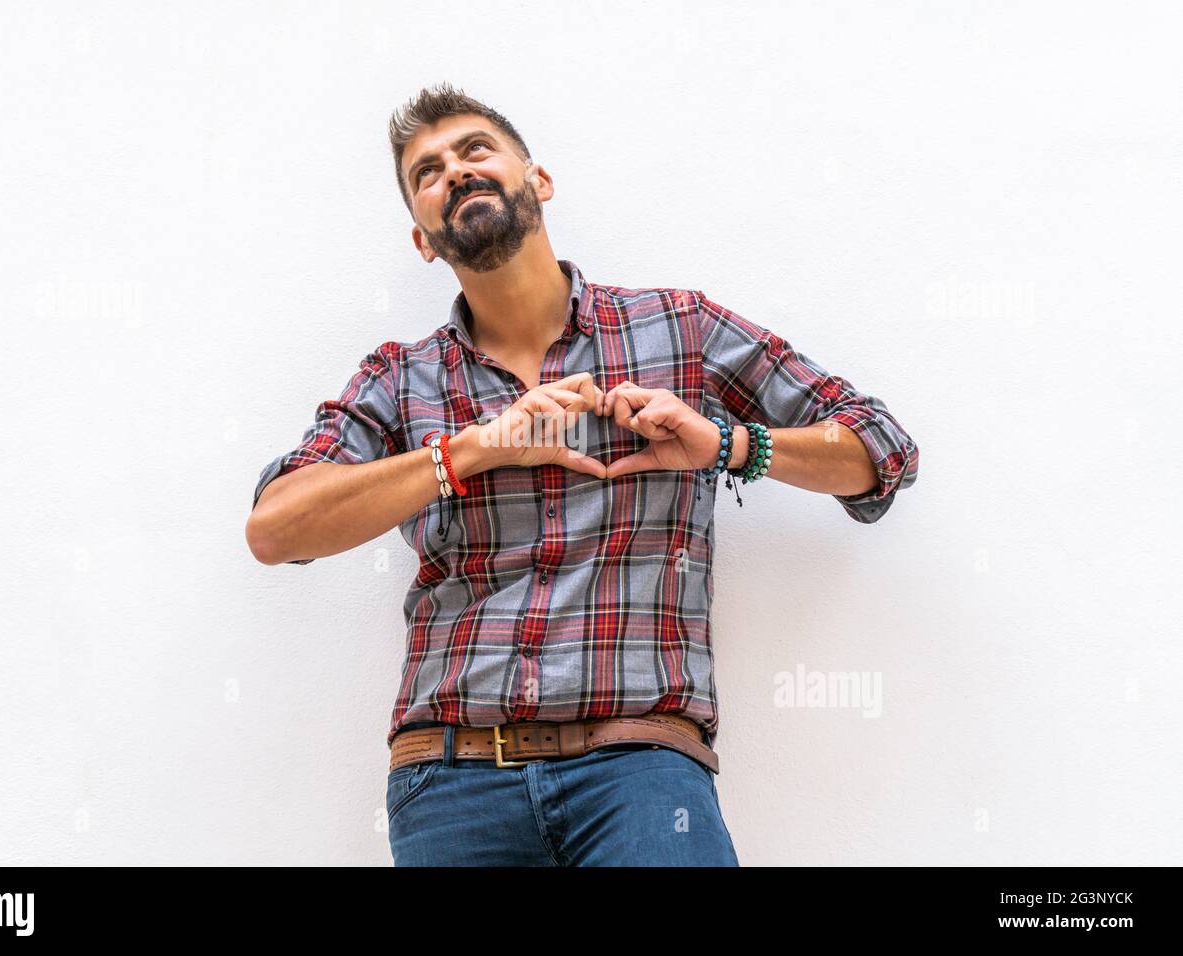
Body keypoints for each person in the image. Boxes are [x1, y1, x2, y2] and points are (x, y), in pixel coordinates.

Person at [245, 82, 919, 866]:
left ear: (539, 180)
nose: (454, 172)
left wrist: (730, 446)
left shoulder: (679, 328)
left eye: (474, 149)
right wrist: (474, 450)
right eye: (426, 172)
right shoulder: (402, 378)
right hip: (452, 779)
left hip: (641, 770)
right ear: (423, 240)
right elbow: (276, 526)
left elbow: (882, 448)